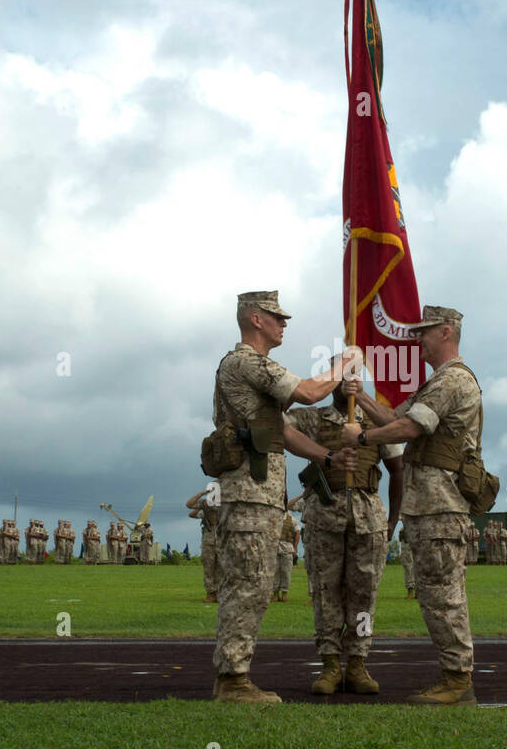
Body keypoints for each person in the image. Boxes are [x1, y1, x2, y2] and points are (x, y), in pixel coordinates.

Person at [205, 290, 361, 703]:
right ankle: (234, 680)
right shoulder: (246, 362)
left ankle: (233, 676)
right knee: (248, 583)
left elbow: (285, 433)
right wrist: (344, 363)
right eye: (277, 317)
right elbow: (309, 393)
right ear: (255, 319)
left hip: (260, 493)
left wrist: (327, 456)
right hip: (249, 493)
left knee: (254, 582)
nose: (283, 324)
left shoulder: (252, 368)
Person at [343, 305, 484, 706]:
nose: (417, 340)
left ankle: (457, 679)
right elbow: (392, 415)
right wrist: (362, 398)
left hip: (441, 506)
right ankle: (453, 676)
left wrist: (362, 439)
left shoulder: (452, 381)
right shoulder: (435, 383)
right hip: (428, 507)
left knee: (444, 594)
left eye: (424, 333)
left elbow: (409, 428)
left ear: (445, 332)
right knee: (433, 592)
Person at [286, 382, 404, 694]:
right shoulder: (313, 419)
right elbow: (277, 421)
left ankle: (357, 663)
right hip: (324, 516)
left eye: (353, 375)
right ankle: (329, 665)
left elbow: (397, 468)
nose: (347, 383)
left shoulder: (375, 420)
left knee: (364, 592)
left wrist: (393, 519)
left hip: (368, 517)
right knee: (325, 592)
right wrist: (306, 390)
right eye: (339, 377)